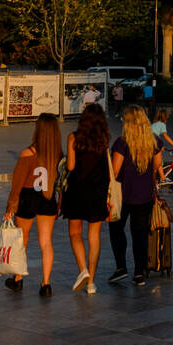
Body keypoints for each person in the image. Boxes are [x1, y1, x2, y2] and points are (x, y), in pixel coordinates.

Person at [2, 113, 63, 297]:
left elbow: (17, 184)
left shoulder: (27, 153)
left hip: (28, 197)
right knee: (46, 242)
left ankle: (18, 279)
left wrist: (10, 207)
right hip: (48, 197)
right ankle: (46, 284)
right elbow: (60, 182)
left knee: (23, 240)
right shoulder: (58, 155)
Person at [108, 104, 165, 287]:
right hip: (145, 193)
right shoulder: (154, 141)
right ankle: (139, 272)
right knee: (139, 233)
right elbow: (157, 166)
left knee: (116, 229)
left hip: (123, 194)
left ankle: (121, 268)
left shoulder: (122, 143)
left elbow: (115, 171)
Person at [62, 102, 111, 294]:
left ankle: (82, 270)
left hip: (77, 190)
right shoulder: (103, 139)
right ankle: (91, 281)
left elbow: (71, 167)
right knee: (94, 236)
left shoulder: (73, 137)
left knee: (75, 233)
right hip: (97, 190)